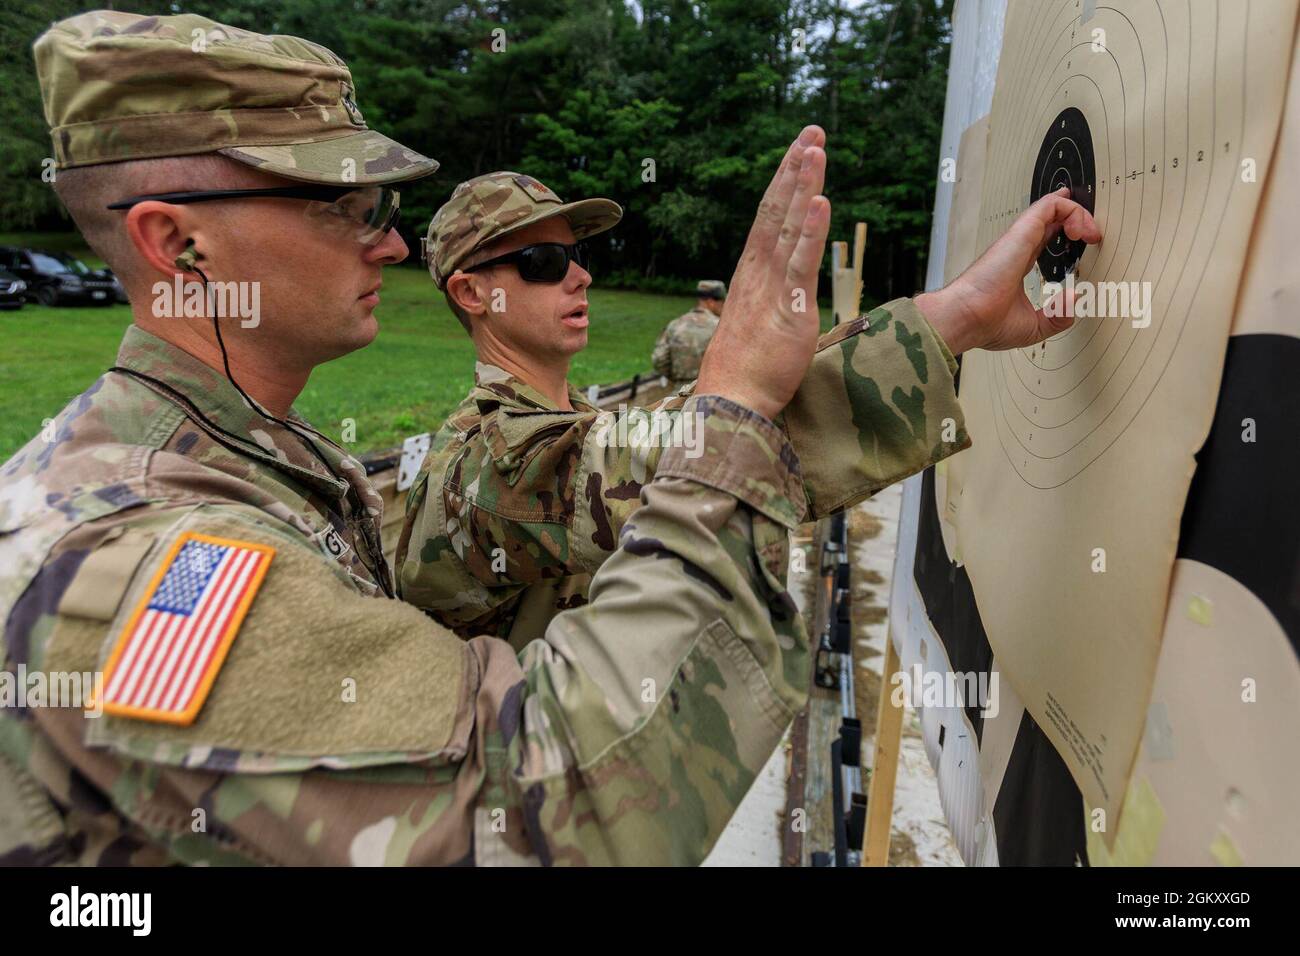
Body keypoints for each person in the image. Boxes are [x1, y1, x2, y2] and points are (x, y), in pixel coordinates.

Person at [0, 10, 875, 866]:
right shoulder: (139, 556)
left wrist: (935, 336)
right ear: (180, 242)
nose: (387, 244)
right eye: (346, 205)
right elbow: (535, 812)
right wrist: (741, 401)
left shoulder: (258, 455)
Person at [398, 165, 1100, 646]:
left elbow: (724, 425)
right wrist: (955, 320)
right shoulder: (478, 465)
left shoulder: (579, 424)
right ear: (469, 293)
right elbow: (695, 450)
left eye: (575, 255)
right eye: (543, 263)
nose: (579, 274)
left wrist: (953, 320)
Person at [652, 279, 726, 386]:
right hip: (711, 391)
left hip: (680, 392)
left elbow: (659, 359)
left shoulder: (675, 325)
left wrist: (678, 381)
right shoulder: (720, 327)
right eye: (722, 302)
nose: (724, 306)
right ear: (711, 302)